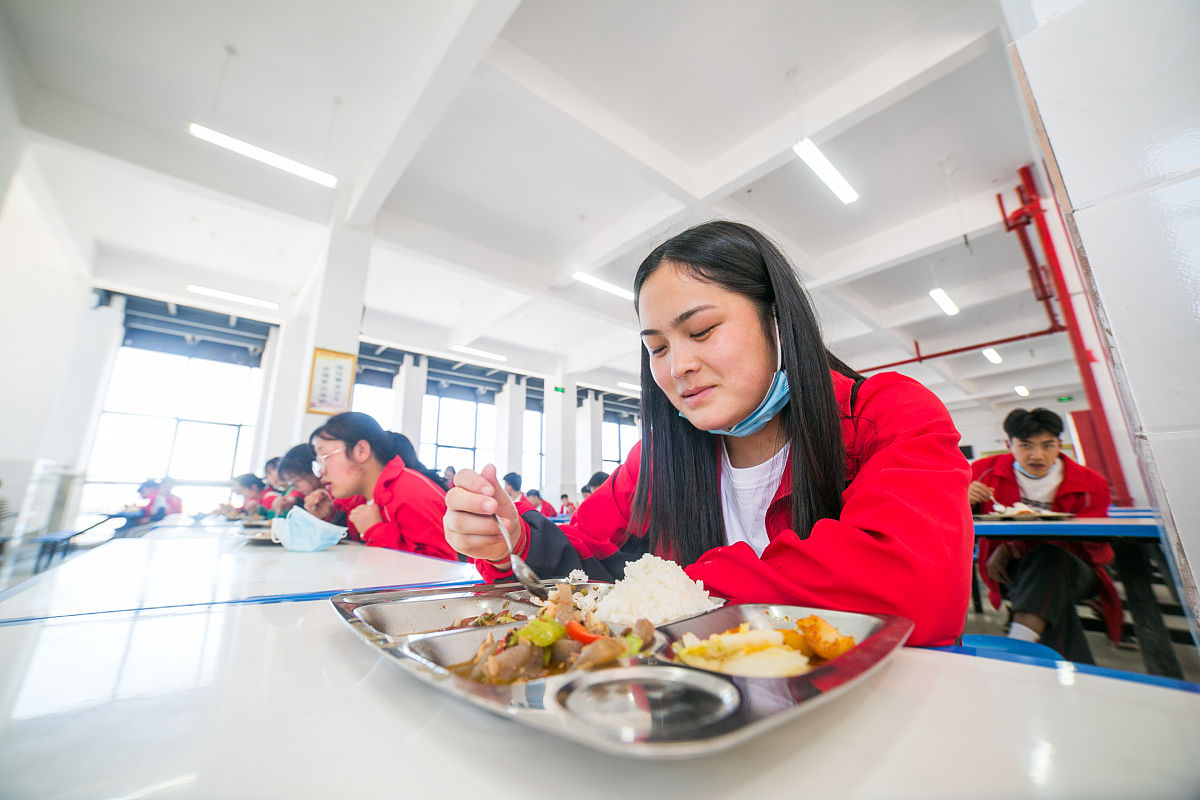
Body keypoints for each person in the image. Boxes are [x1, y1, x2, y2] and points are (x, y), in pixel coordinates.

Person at [444, 220, 972, 647]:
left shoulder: (888, 414)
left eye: (701, 332)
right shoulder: (656, 459)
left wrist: (678, 589)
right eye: (658, 348)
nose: (679, 367)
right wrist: (511, 541)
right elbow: (582, 553)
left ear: (779, 322)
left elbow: (913, 586)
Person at [970, 408, 1118, 662]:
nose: (1037, 455)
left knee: (1051, 559)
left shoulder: (1090, 483)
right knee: (1049, 595)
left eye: (1047, 445)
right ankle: (1042, 660)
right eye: (1026, 445)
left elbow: (1095, 544)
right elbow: (949, 521)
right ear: (1009, 445)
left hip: (1078, 572)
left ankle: (1017, 651)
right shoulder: (984, 474)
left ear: (1060, 444)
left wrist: (1011, 548)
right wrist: (964, 500)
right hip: (1011, 573)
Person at [305, 412, 456, 559]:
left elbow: (444, 569)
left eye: (324, 458)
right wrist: (330, 512)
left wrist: (376, 531)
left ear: (361, 451)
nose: (320, 471)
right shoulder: (362, 497)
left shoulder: (409, 493)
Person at [273, 444, 338, 520]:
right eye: (292, 482)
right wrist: (290, 500)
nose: (295, 487)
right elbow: (297, 495)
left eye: (296, 480)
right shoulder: (312, 491)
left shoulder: (335, 494)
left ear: (314, 471)